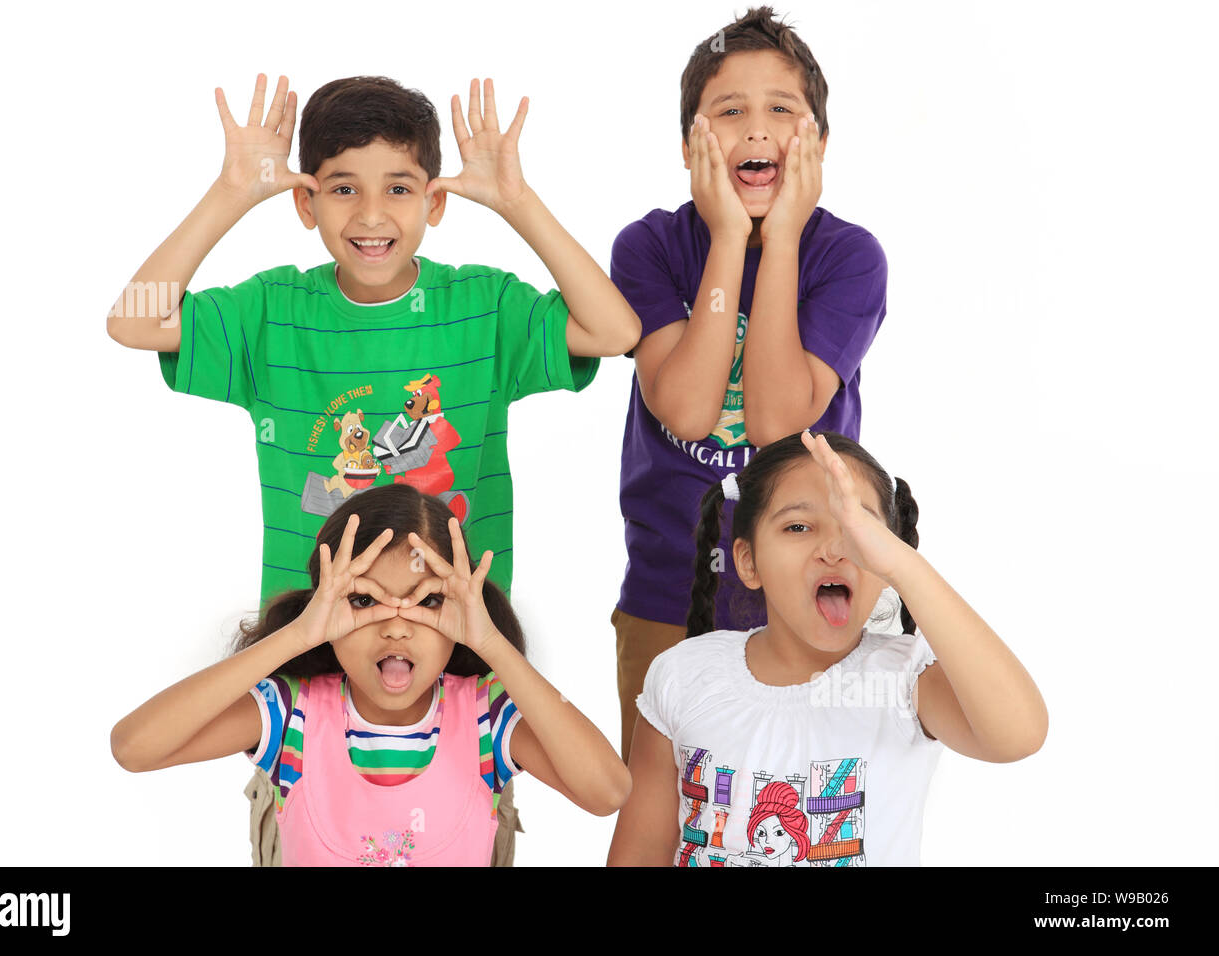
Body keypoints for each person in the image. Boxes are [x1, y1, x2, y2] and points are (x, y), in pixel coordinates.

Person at [105, 73, 641, 863]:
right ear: (305, 202)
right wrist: (230, 192)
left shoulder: (482, 307)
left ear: (435, 201)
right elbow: (134, 318)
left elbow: (614, 327)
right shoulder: (271, 312)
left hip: (450, 646)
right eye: (342, 188)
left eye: (399, 188)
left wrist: (517, 199)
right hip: (321, 652)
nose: (370, 215)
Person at [610, 6, 889, 760]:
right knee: (663, 801)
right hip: (667, 590)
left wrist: (785, 236)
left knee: (794, 796)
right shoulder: (650, 248)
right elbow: (691, 410)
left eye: (782, 111)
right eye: (729, 112)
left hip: (806, 589)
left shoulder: (848, 257)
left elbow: (774, 422)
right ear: (688, 145)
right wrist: (730, 235)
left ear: (819, 143)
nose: (756, 130)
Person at [112, 484, 631, 867]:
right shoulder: (290, 715)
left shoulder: (486, 717)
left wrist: (490, 642)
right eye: (364, 601)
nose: (397, 628)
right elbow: (134, 747)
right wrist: (296, 636)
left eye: (427, 602)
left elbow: (607, 791)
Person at [607, 431, 1046, 866]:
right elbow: (641, 852)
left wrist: (902, 567)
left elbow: (1019, 735)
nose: (834, 549)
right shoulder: (683, 674)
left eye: (860, 528)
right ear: (748, 561)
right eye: (798, 526)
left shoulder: (906, 682)